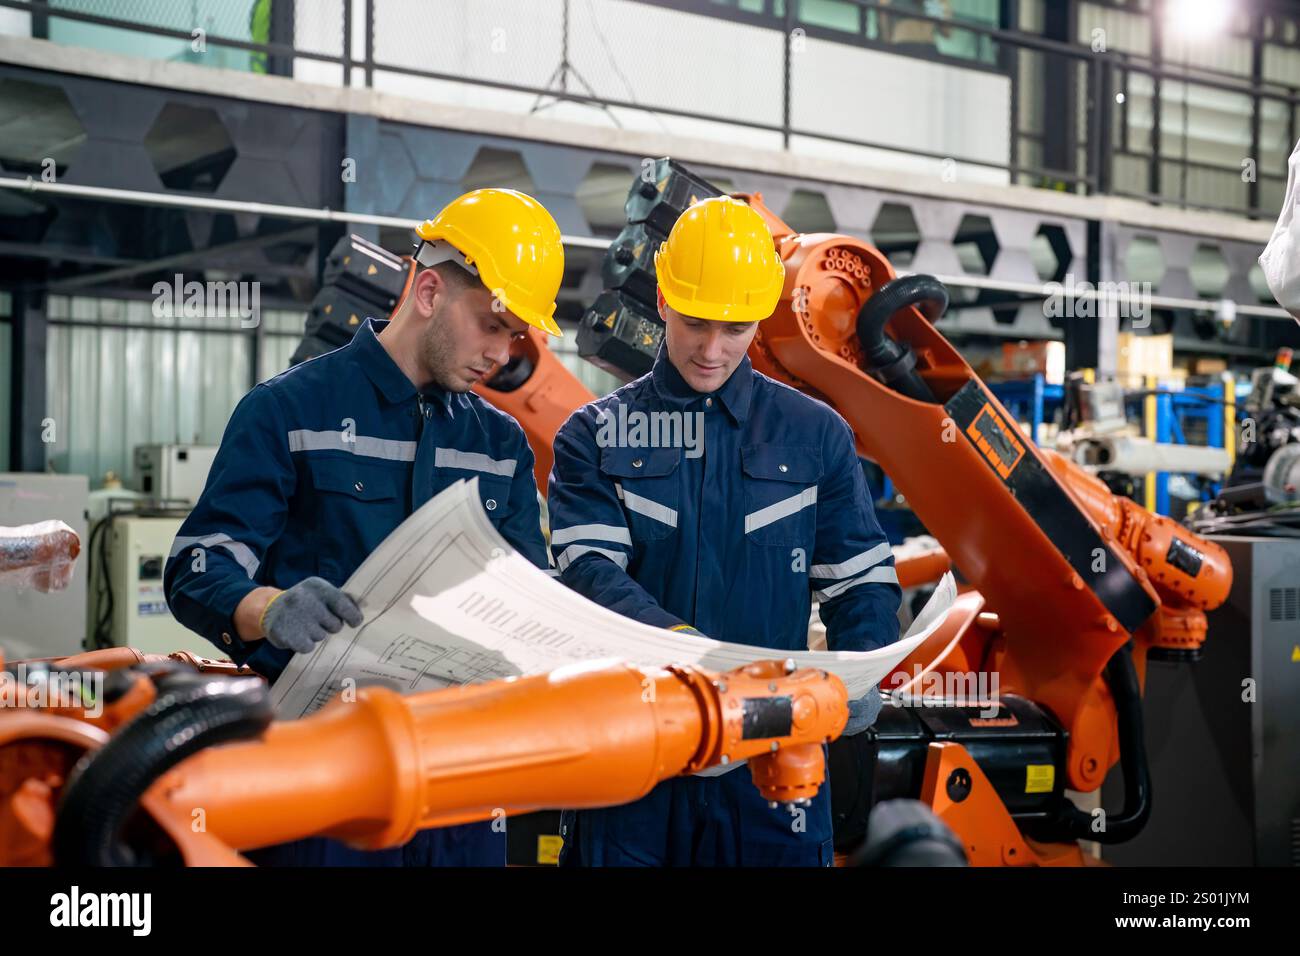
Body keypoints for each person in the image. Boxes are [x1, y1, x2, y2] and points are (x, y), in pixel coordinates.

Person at [163, 187, 563, 865]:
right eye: (492, 325)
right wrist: (268, 607)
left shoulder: (500, 444)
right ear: (429, 292)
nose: (502, 353)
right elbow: (198, 566)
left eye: (515, 335)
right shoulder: (288, 411)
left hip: (460, 786)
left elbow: (529, 589)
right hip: (325, 781)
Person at [547, 195, 901, 866]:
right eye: (695, 323)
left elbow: (858, 577)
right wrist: (685, 654)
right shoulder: (594, 436)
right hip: (637, 762)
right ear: (662, 301)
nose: (712, 350)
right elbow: (588, 574)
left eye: (735, 328)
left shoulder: (816, 435)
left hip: (771, 770)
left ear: (761, 317)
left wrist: (864, 666)